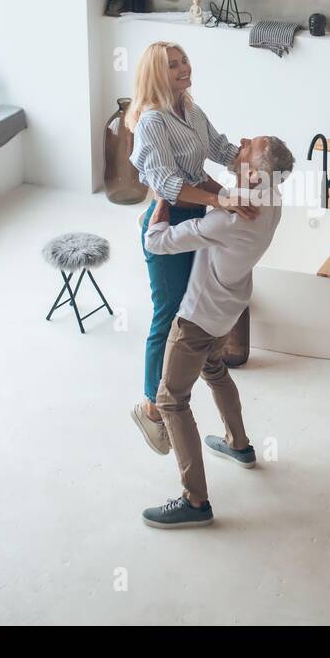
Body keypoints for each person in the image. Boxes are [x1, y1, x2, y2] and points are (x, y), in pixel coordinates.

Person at [139, 135, 294, 529]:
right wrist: (212, 190)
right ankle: (239, 446)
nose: (239, 143)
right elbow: (230, 193)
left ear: (256, 177)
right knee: (214, 370)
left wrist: (162, 197)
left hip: (197, 319)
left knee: (171, 400)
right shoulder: (272, 200)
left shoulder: (228, 220)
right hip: (229, 310)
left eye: (248, 147)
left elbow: (156, 242)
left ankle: (196, 501)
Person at [126, 41, 257, 454]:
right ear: (155, 74)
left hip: (196, 217)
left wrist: (256, 162)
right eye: (173, 65)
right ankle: (152, 406)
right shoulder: (152, 123)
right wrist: (220, 199)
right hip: (168, 222)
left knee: (193, 310)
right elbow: (166, 183)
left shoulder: (192, 109)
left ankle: (185, 381)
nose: (184, 68)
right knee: (168, 314)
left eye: (184, 61)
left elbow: (219, 149)